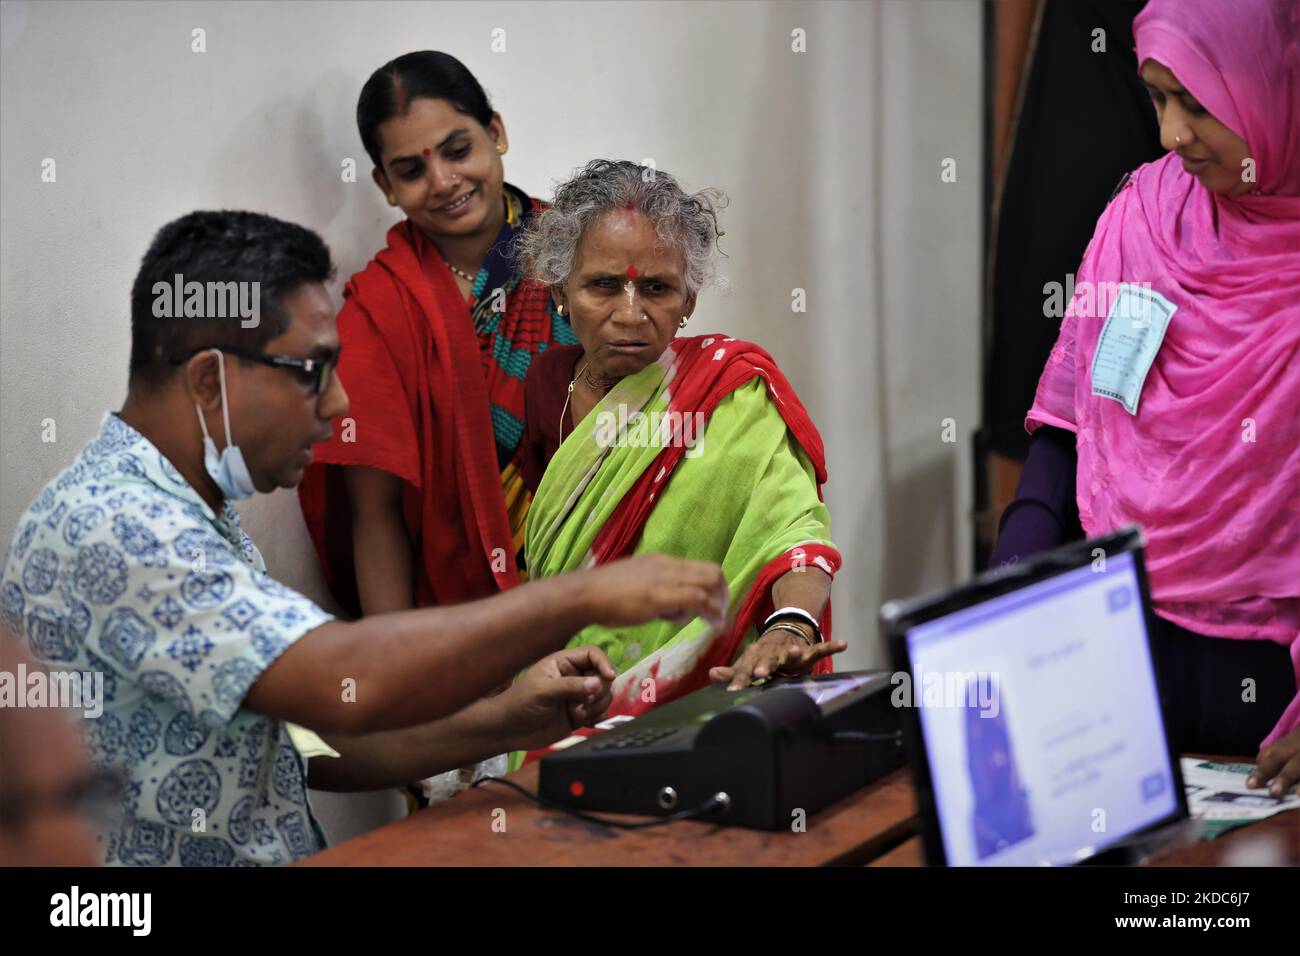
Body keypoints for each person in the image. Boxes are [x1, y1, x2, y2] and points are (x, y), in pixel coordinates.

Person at [0, 210, 728, 865]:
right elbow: (339, 680)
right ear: (210, 383)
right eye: (314, 371)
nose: (341, 403)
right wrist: (576, 597)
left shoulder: (194, 513)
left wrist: (508, 719)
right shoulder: (121, 527)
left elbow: (303, 743)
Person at [991, 0, 1300, 794]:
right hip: (1126, 657)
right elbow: (1074, 420)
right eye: (1158, 98)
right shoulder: (1144, 217)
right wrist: (1014, 568)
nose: (1170, 135)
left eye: (1196, 102)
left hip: (1276, 690)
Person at [513, 160, 846, 765]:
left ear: (689, 298)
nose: (632, 313)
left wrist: (790, 625)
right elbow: (556, 558)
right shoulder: (543, 387)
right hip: (569, 695)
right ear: (561, 291)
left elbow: (794, 530)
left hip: (710, 702)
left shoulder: (733, 391)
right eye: (604, 285)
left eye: (657, 289)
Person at [298, 51, 579, 620]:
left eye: (458, 151)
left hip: (607, 573)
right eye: (411, 170)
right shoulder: (379, 310)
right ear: (384, 185)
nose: (444, 182)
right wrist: (402, 669)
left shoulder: (577, 253)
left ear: (495, 132)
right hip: (462, 624)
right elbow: (374, 517)